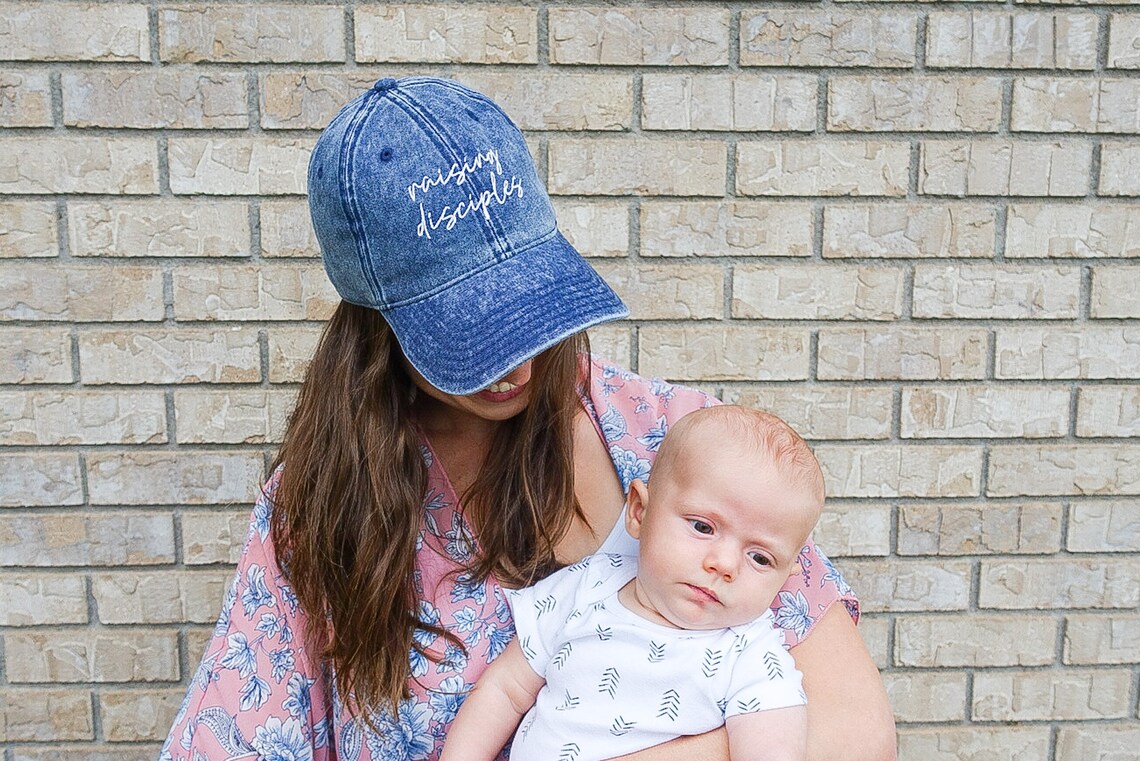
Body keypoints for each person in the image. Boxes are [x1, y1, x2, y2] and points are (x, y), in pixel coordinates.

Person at [161, 76, 896, 761]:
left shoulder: (686, 444)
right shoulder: (313, 512)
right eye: (468, 328)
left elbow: (855, 733)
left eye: (528, 309)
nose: (516, 363)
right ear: (379, 320)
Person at [440, 406, 825, 761]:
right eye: (703, 527)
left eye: (760, 558)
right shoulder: (586, 588)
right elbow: (504, 691)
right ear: (639, 512)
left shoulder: (752, 657)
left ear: (786, 575)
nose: (724, 565)